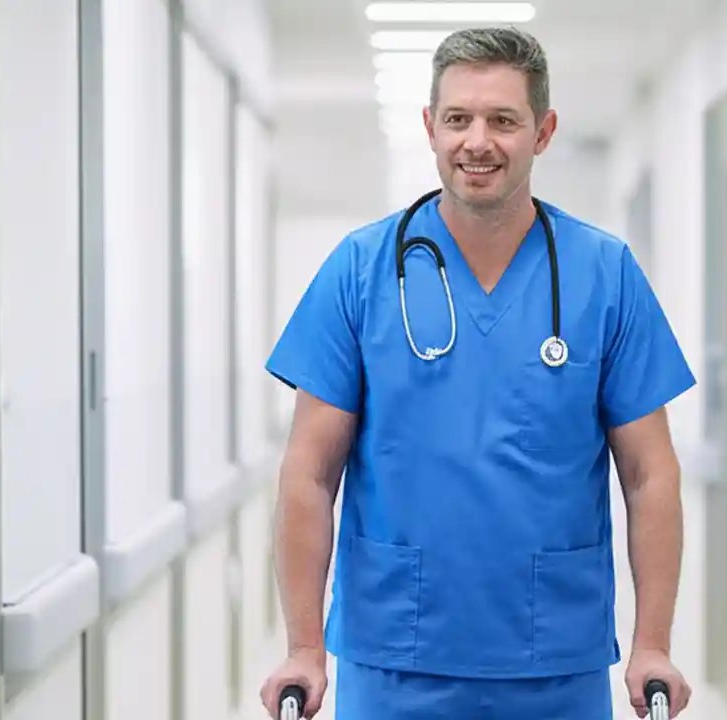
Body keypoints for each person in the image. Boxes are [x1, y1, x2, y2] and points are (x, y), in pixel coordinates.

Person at [260, 26, 695, 719]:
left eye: (503, 121)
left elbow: (650, 474)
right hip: (395, 660)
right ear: (430, 127)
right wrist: (305, 648)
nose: (477, 142)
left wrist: (653, 643)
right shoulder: (361, 271)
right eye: (458, 118)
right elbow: (309, 472)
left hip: (555, 662)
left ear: (543, 132)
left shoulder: (604, 274)